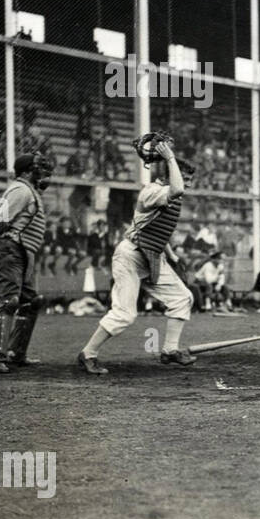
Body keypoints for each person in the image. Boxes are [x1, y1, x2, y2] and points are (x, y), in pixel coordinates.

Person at [77, 133, 197, 374]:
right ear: (168, 173)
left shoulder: (170, 193)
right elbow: (176, 188)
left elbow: (156, 230)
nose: (189, 183)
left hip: (152, 255)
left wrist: (172, 255)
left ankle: (170, 350)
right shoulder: (153, 191)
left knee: (182, 298)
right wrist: (170, 157)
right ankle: (87, 354)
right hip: (131, 256)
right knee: (125, 314)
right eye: (186, 177)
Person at [0, 153, 53, 372]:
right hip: (10, 249)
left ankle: (15, 353)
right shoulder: (20, 190)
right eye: (38, 168)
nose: (43, 172)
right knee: (8, 302)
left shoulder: (30, 191)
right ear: (26, 171)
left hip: (24, 252)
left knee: (31, 302)